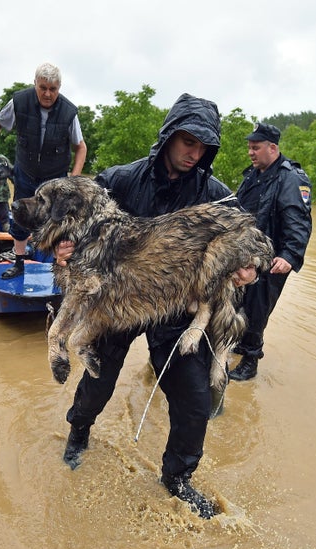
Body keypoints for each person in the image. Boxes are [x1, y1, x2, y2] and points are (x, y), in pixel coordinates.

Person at [54, 94, 239, 520]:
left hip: (175, 312)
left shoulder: (216, 196)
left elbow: (244, 240)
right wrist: (64, 244)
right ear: (169, 135)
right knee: (97, 384)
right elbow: (70, 210)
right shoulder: (120, 179)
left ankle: (177, 478)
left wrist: (245, 269)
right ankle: (79, 429)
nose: (194, 153)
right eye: (187, 142)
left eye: (203, 147)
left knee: (195, 401)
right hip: (116, 304)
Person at [0, 62, 87, 279]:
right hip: (26, 173)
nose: (48, 94)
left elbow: (81, 148)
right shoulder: (20, 101)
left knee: (58, 223)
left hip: (55, 181)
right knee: (20, 215)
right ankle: (19, 263)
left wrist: (74, 180)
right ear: (35, 85)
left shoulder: (69, 112)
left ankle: (60, 268)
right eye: (43, 88)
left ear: (59, 88)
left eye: (53, 89)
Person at [228, 122, 313, 381]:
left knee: (257, 308)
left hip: (273, 259)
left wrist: (290, 256)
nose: (250, 153)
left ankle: (251, 361)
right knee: (238, 303)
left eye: (256, 148)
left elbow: (298, 220)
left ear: (273, 148)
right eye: (249, 148)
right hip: (247, 256)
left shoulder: (291, 178)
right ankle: (240, 345)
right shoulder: (252, 176)